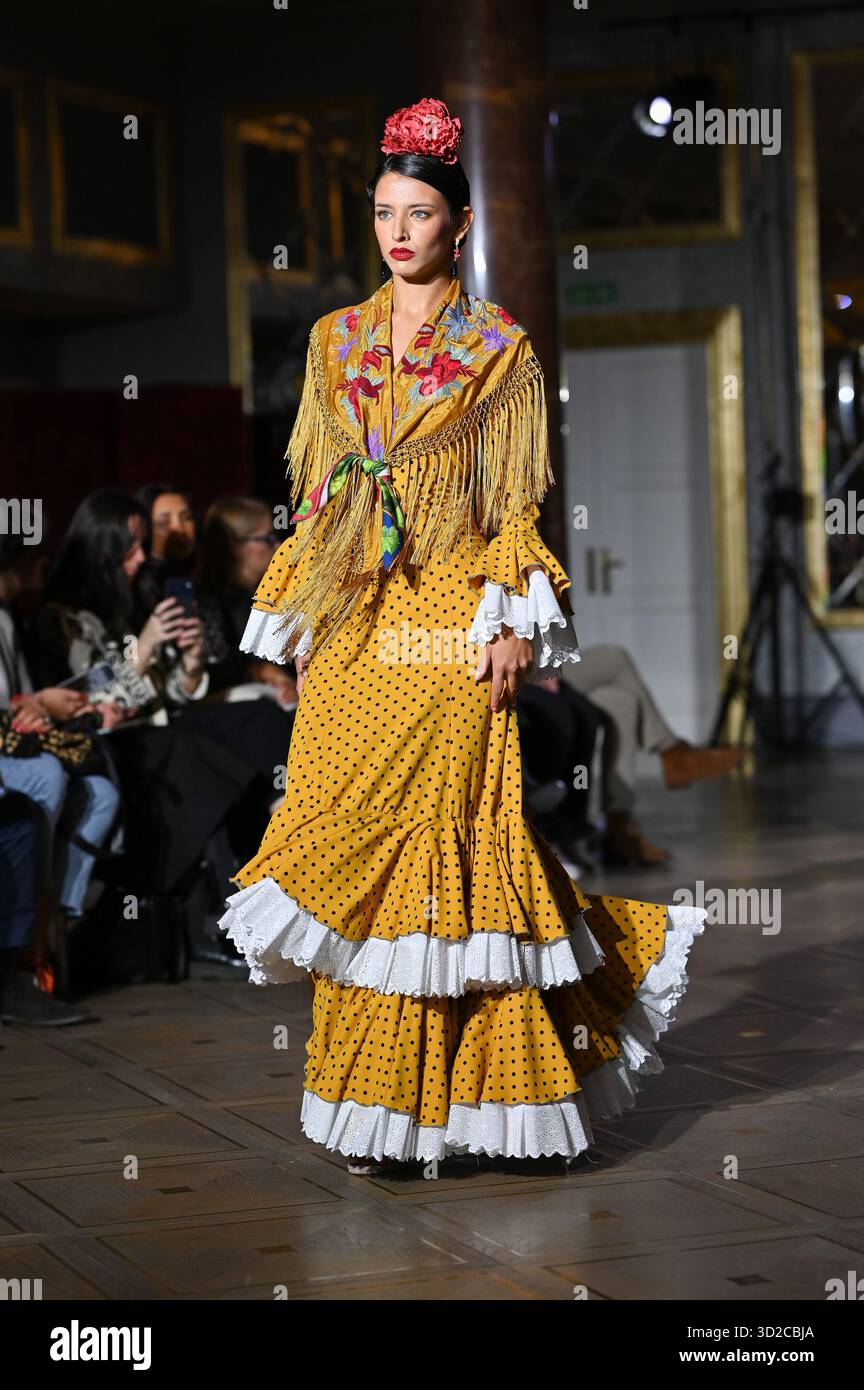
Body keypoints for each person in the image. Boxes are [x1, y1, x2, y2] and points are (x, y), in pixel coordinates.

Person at [219, 98, 707, 1174]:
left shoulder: (498, 347)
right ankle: (379, 1115)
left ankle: (474, 1104)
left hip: (449, 620)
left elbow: (514, 499)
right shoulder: (332, 339)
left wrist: (510, 616)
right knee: (350, 856)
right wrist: (296, 620)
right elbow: (313, 489)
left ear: (462, 222)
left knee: (448, 846)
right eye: (387, 212)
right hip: (353, 627)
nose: (400, 232)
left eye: (421, 213)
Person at [543, 649, 745, 866]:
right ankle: (672, 752)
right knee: (615, 658)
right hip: (522, 668)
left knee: (621, 703)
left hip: (544, 659)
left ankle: (618, 826)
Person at [197, 496, 298, 705]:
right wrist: (258, 671)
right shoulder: (209, 603)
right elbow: (217, 672)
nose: (278, 545)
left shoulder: (272, 594)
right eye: (268, 538)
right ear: (236, 545)